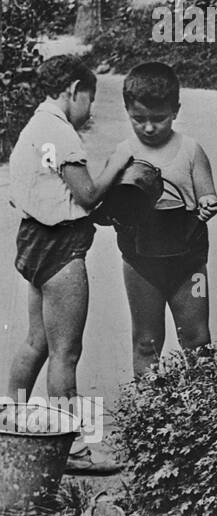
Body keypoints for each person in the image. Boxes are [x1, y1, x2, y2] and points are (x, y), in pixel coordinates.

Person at [6, 56, 132, 474]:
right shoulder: (60, 133)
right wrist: (119, 160)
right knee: (66, 352)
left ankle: (12, 421)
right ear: (74, 90)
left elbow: (56, 192)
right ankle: (74, 449)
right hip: (60, 249)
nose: (89, 110)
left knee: (36, 342)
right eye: (89, 100)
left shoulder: (34, 128)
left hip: (34, 240)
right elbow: (89, 194)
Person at [110, 63, 217, 379]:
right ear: (127, 110)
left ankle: (205, 410)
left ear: (176, 110)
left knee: (197, 339)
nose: (147, 127)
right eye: (138, 119)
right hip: (140, 260)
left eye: (158, 119)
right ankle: (148, 415)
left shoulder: (190, 149)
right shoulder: (124, 152)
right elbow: (107, 202)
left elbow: (207, 194)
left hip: (188, 260)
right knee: (146, 342)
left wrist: (208, 204)